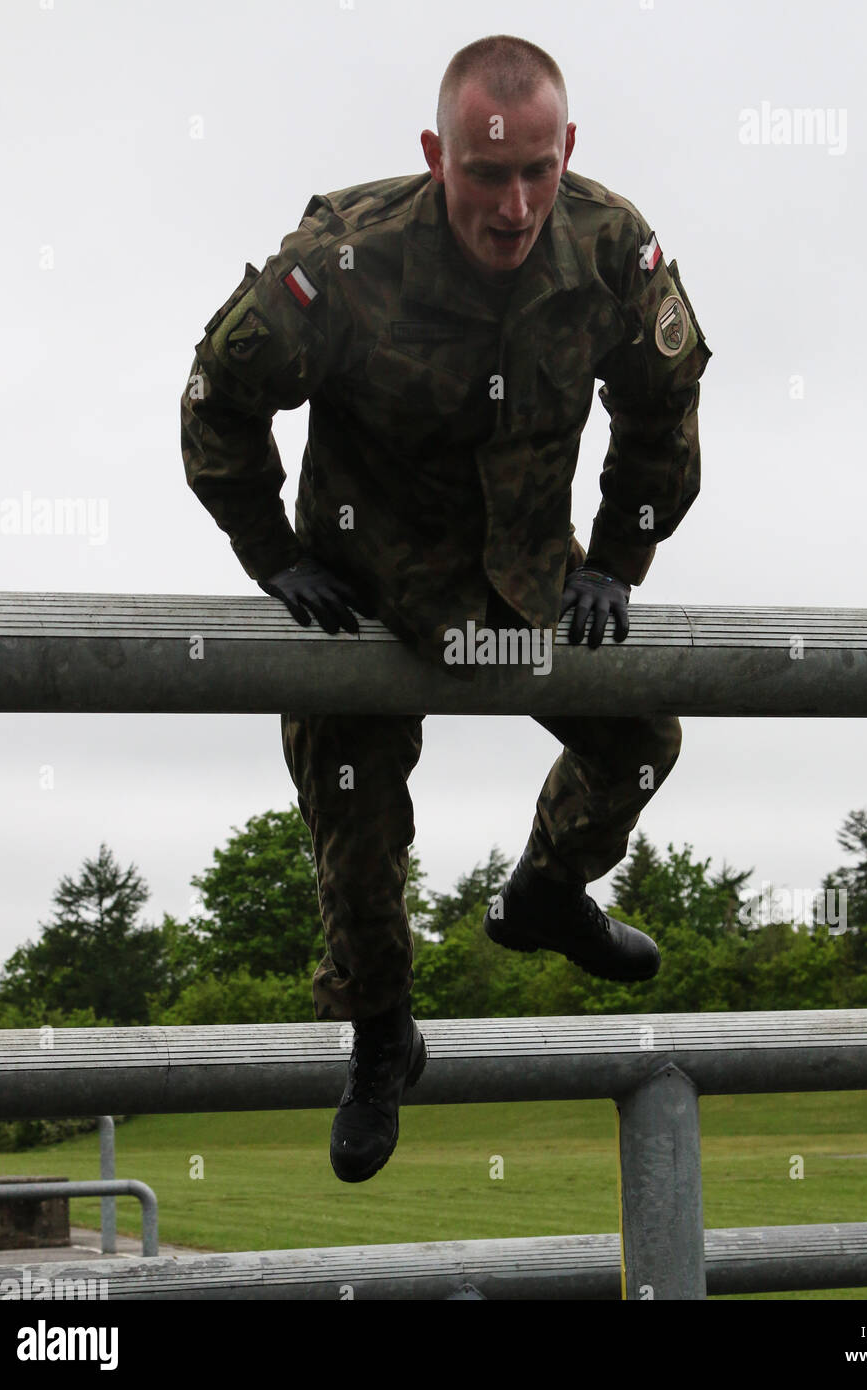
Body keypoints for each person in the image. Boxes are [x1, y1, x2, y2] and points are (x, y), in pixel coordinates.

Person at [181, 34, 711, 1184]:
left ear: (567, 151)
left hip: (522, 571)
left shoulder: (610, 244)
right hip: (363, 595)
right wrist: (274, 557)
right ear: (437, 156)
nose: (514, 206)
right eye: (485, 175)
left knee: (639, 738)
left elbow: (664, 404)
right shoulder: (350, 258)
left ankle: (545, 890)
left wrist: (615, 561)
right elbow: (218, 398)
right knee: (358, 838)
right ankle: (381, 1042)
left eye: (537, 172)